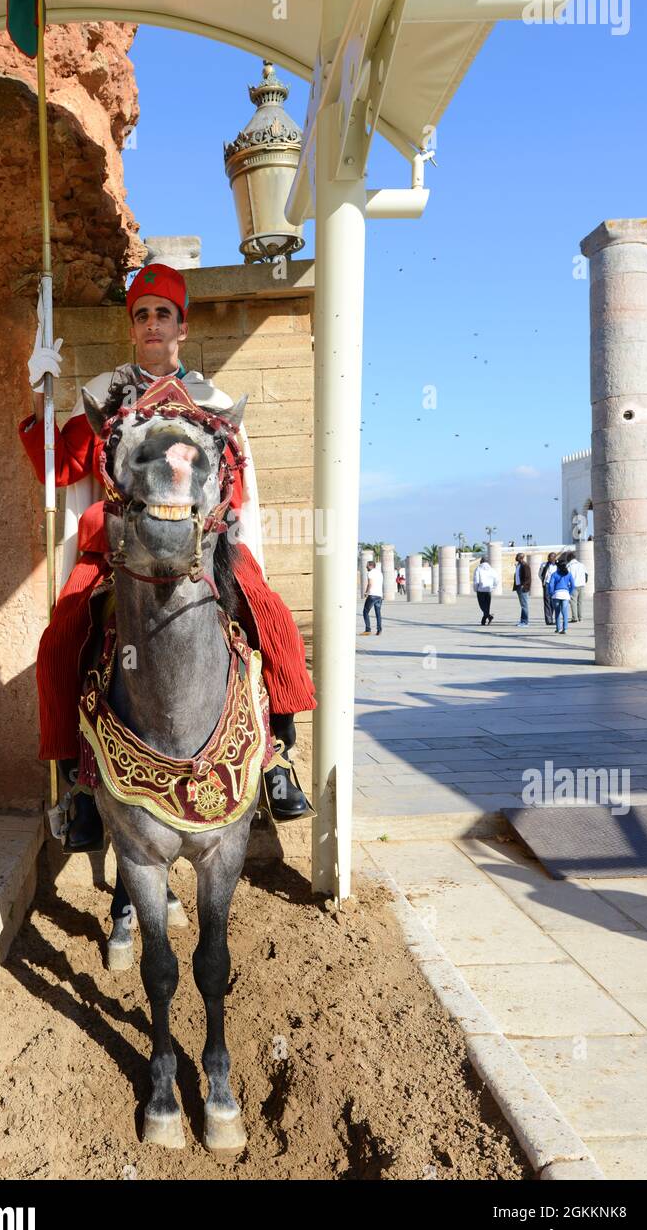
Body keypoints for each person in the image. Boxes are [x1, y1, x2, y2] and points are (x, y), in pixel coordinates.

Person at [19, 262, 317, 847]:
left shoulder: (211, 400)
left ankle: (277, 759)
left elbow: (236, 489)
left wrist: (205, 530)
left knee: (273, 618)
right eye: (142, 316)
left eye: (163, 315)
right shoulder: (105, 396)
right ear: (132, 328)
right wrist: (39, 394)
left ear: (182, 326)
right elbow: (58, 468)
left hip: (203, 544)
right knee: (59, 641)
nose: (152, 325)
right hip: (117, 548)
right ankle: (78, 784)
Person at [548, 558, 575, 634]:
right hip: (565, 594)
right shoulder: (569, 574)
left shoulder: (554, 574)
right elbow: (573, 585)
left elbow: (550, 585)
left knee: (557, 612)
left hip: (557, 594)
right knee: (565, 612)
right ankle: (565, 629)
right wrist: (569, 592)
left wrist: (551, 593)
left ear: (558, 566)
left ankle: (558, 628)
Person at [473, 555, 498, 625]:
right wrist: (493, 587)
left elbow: (476, 581)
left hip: (480, 590)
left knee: (482, 606)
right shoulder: (492, 569)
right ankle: (484, 619)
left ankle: (488, 616)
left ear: (481, 561)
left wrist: (475, 589)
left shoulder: (478, 569)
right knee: (487, 606)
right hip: (488, 589)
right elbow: (496, 580)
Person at [360, 561, 383, 636]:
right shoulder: (379, 573)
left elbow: (370, 584)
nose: (366, 567)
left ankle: (368, 629)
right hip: (379, 595)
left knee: (365, 612)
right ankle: (379, 630)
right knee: (378, 613)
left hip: (372, 595)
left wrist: (366, 592)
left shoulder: (370, 573)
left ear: (370, 566)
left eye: (367, 566)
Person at [567, 550, 588, 622]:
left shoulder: (569, 566)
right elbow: (586, 575)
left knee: (573, 602)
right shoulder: (582, 565)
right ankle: (580, 617)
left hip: (573, 586)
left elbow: (567, 577)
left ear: (569, 559)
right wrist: (584, 582)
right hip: (582, 585)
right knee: (580, 602)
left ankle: (574, 618)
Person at [539, 552, 557, 626]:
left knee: (553, 602)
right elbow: (540, 574)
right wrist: (544, 581)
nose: (549, 558)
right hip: (547, 584)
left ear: (554, 558)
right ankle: (548, 620)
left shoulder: (557, 566)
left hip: (555, 585)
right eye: (548, 557)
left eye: (551, 557)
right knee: (547, 602)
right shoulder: (544, 565)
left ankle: (553, 617)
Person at [513, 552, 531, 626]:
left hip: (522, 588)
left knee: (524, 605)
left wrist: (524, 586)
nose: (515, 557)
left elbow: (528, 577)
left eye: (517, 556)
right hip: (518, 587)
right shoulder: (519, 565)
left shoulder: (525, 565)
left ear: (520, 557)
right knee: (522, 605)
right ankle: (522, 620)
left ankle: (525, 621)